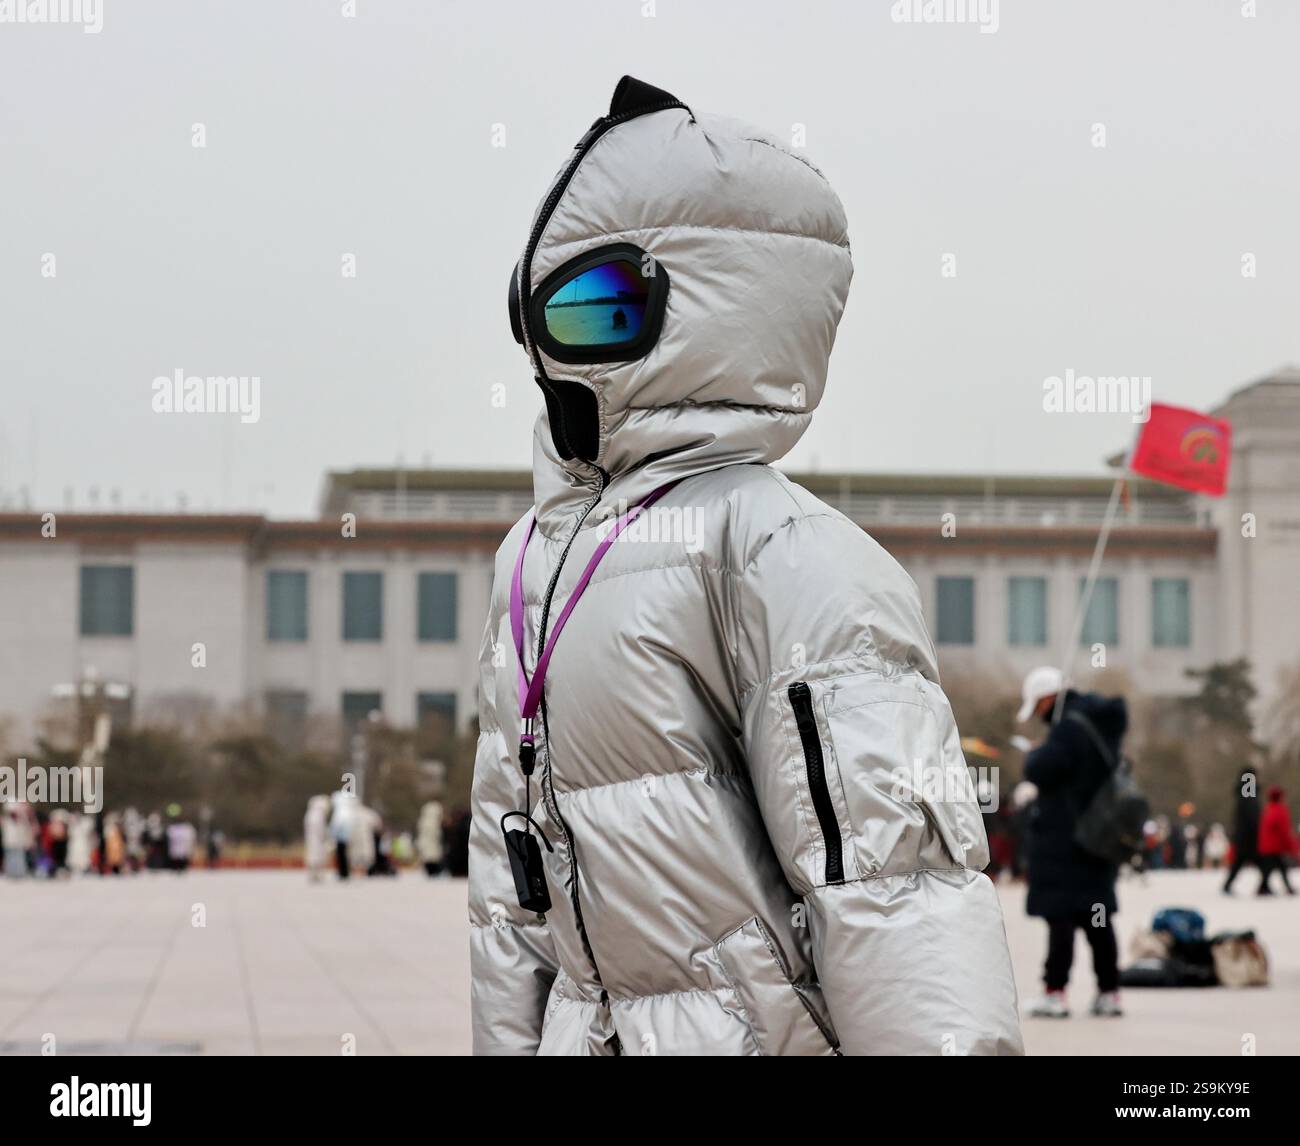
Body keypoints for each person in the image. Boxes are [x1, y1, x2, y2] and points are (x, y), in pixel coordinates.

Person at [469, 76, 1022, 1056]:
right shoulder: (531, 566)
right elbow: (508, 894)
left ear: (720, 315)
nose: (558, 353)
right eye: (548, 313)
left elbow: (898, 891)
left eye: (601, 308)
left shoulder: (781, 555)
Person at [1016, 667, 1124, 1019]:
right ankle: (1109, 992)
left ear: (1048, 699)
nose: (1039, 717)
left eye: (1038, 708)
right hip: (1096, 835)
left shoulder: (1067, 728)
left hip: (1066, 839)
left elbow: (1042, 771)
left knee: (1061, 916)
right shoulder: (1096, 722)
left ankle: (1055, 992)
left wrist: (1035, 754)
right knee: (1097, 917)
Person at [1223, 777, 1261, 894]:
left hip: (1243, 837)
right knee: (1264, 864)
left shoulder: (1243, 797)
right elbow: (1252, 817)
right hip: (1248, 838)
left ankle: (1228, 885)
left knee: (1239, 863)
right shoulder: (1249, 797)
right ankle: (1264, 885)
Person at [1257, 785, 1297, 896]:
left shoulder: (1267, 809)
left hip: (1267, 845)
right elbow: (1284, 831)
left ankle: (1264, 887)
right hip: (1275, 846)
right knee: (1278, 867)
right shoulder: (1280, 810)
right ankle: (1265, 887)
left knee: (1272, 868)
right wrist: (1291, 846)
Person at [304, 794, 331, 882]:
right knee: (317, 857)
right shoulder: (318, 815)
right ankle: (316, 875)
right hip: (317, 840)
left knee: (313, 856)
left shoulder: (310, 814)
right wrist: (325, 837)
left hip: (311, 839)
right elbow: (321, 829)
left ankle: (314, 875)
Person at [417, 799, 445, 877]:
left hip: (431, 839)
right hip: (430, 839)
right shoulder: (435, 809)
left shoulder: (426, 818)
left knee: (432, 854)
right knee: (431, 854)